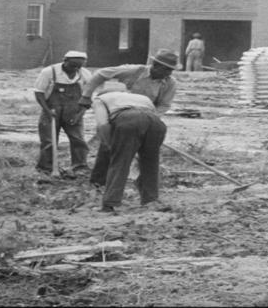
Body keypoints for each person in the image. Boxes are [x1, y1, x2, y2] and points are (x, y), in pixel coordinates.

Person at [82, 48, 178, 194]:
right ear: (155, 65)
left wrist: (150, 118)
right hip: (119, 115)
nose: (169, 74)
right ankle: (98, 184)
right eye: (166, 70)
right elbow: (101, 74)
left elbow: (164, 105)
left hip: (147, 116)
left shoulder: (170, 82)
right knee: (109, 148)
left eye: (171, 70)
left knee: (147, 154)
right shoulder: (134, 71)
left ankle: (143, 188)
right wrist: (86, 94)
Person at [90, 89, 168, 213]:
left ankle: (110, 203)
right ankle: (151, 200)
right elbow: (149, 118)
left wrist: (110, 144)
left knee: (120, 162)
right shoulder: (141, 97)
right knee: (150, 164)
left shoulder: (100, 100)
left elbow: (103, 125)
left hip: (128, 121)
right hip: (156, 124)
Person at [32, 49, 93, 176]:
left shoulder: (85, 75)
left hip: (73, 112)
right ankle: (47, 168)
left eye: (78, 66)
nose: (75, 69)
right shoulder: (49, 72)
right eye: (72, 65)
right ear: (64, 61)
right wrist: (48, 111)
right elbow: (39, 93)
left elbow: (88, 99)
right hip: (51, 110)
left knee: (78, 139)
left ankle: (79, 166)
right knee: (49, 141)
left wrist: (79, 115)